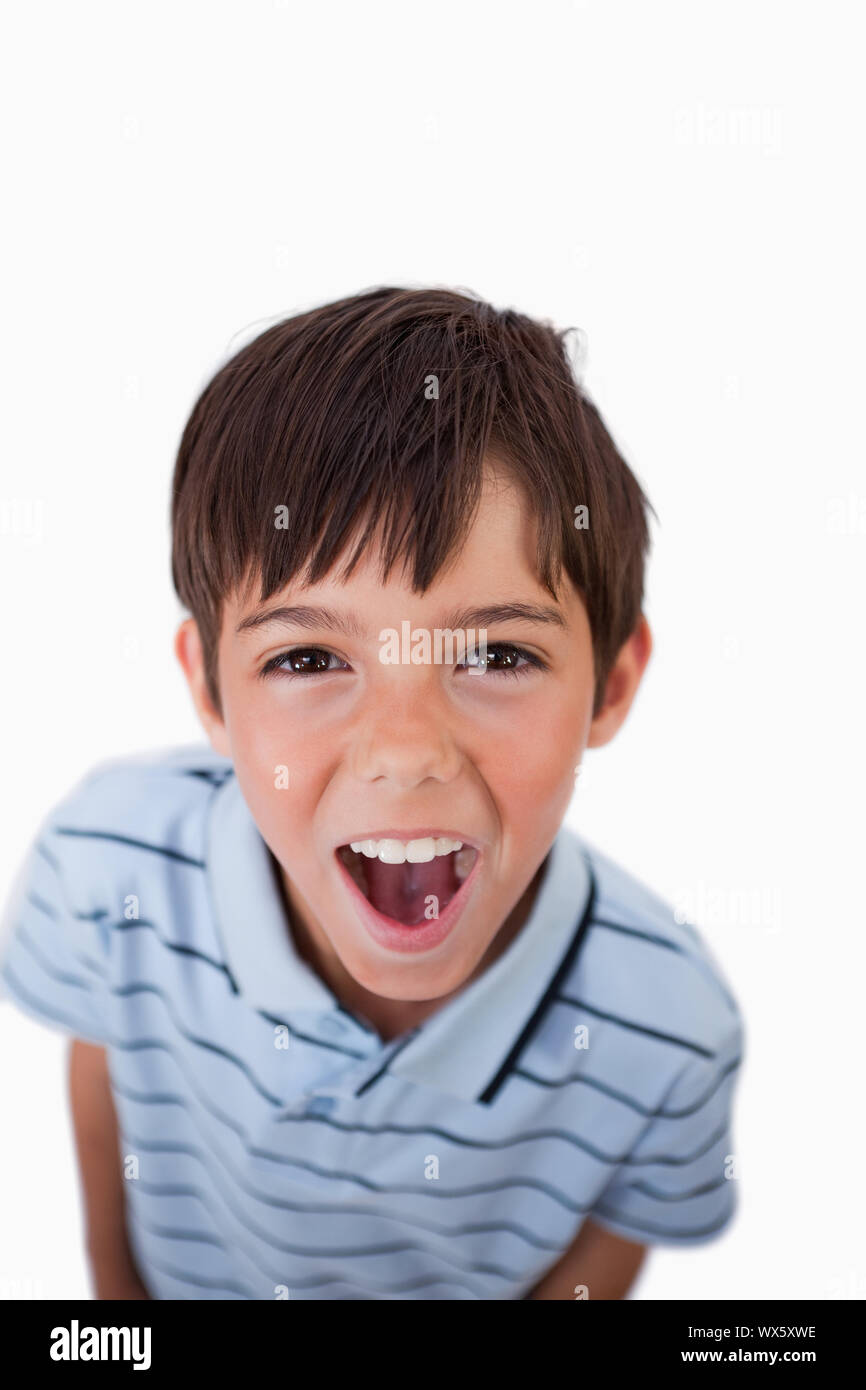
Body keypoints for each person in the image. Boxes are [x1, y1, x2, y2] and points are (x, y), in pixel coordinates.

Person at [0, 286, 744, 1299]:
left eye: (494, 653)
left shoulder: (667, 1019)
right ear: (208, 688)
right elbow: (106, 1075)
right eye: (308, 657)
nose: (404, 752)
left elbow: (604, 1253)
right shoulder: (104, 867)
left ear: (609, 683)